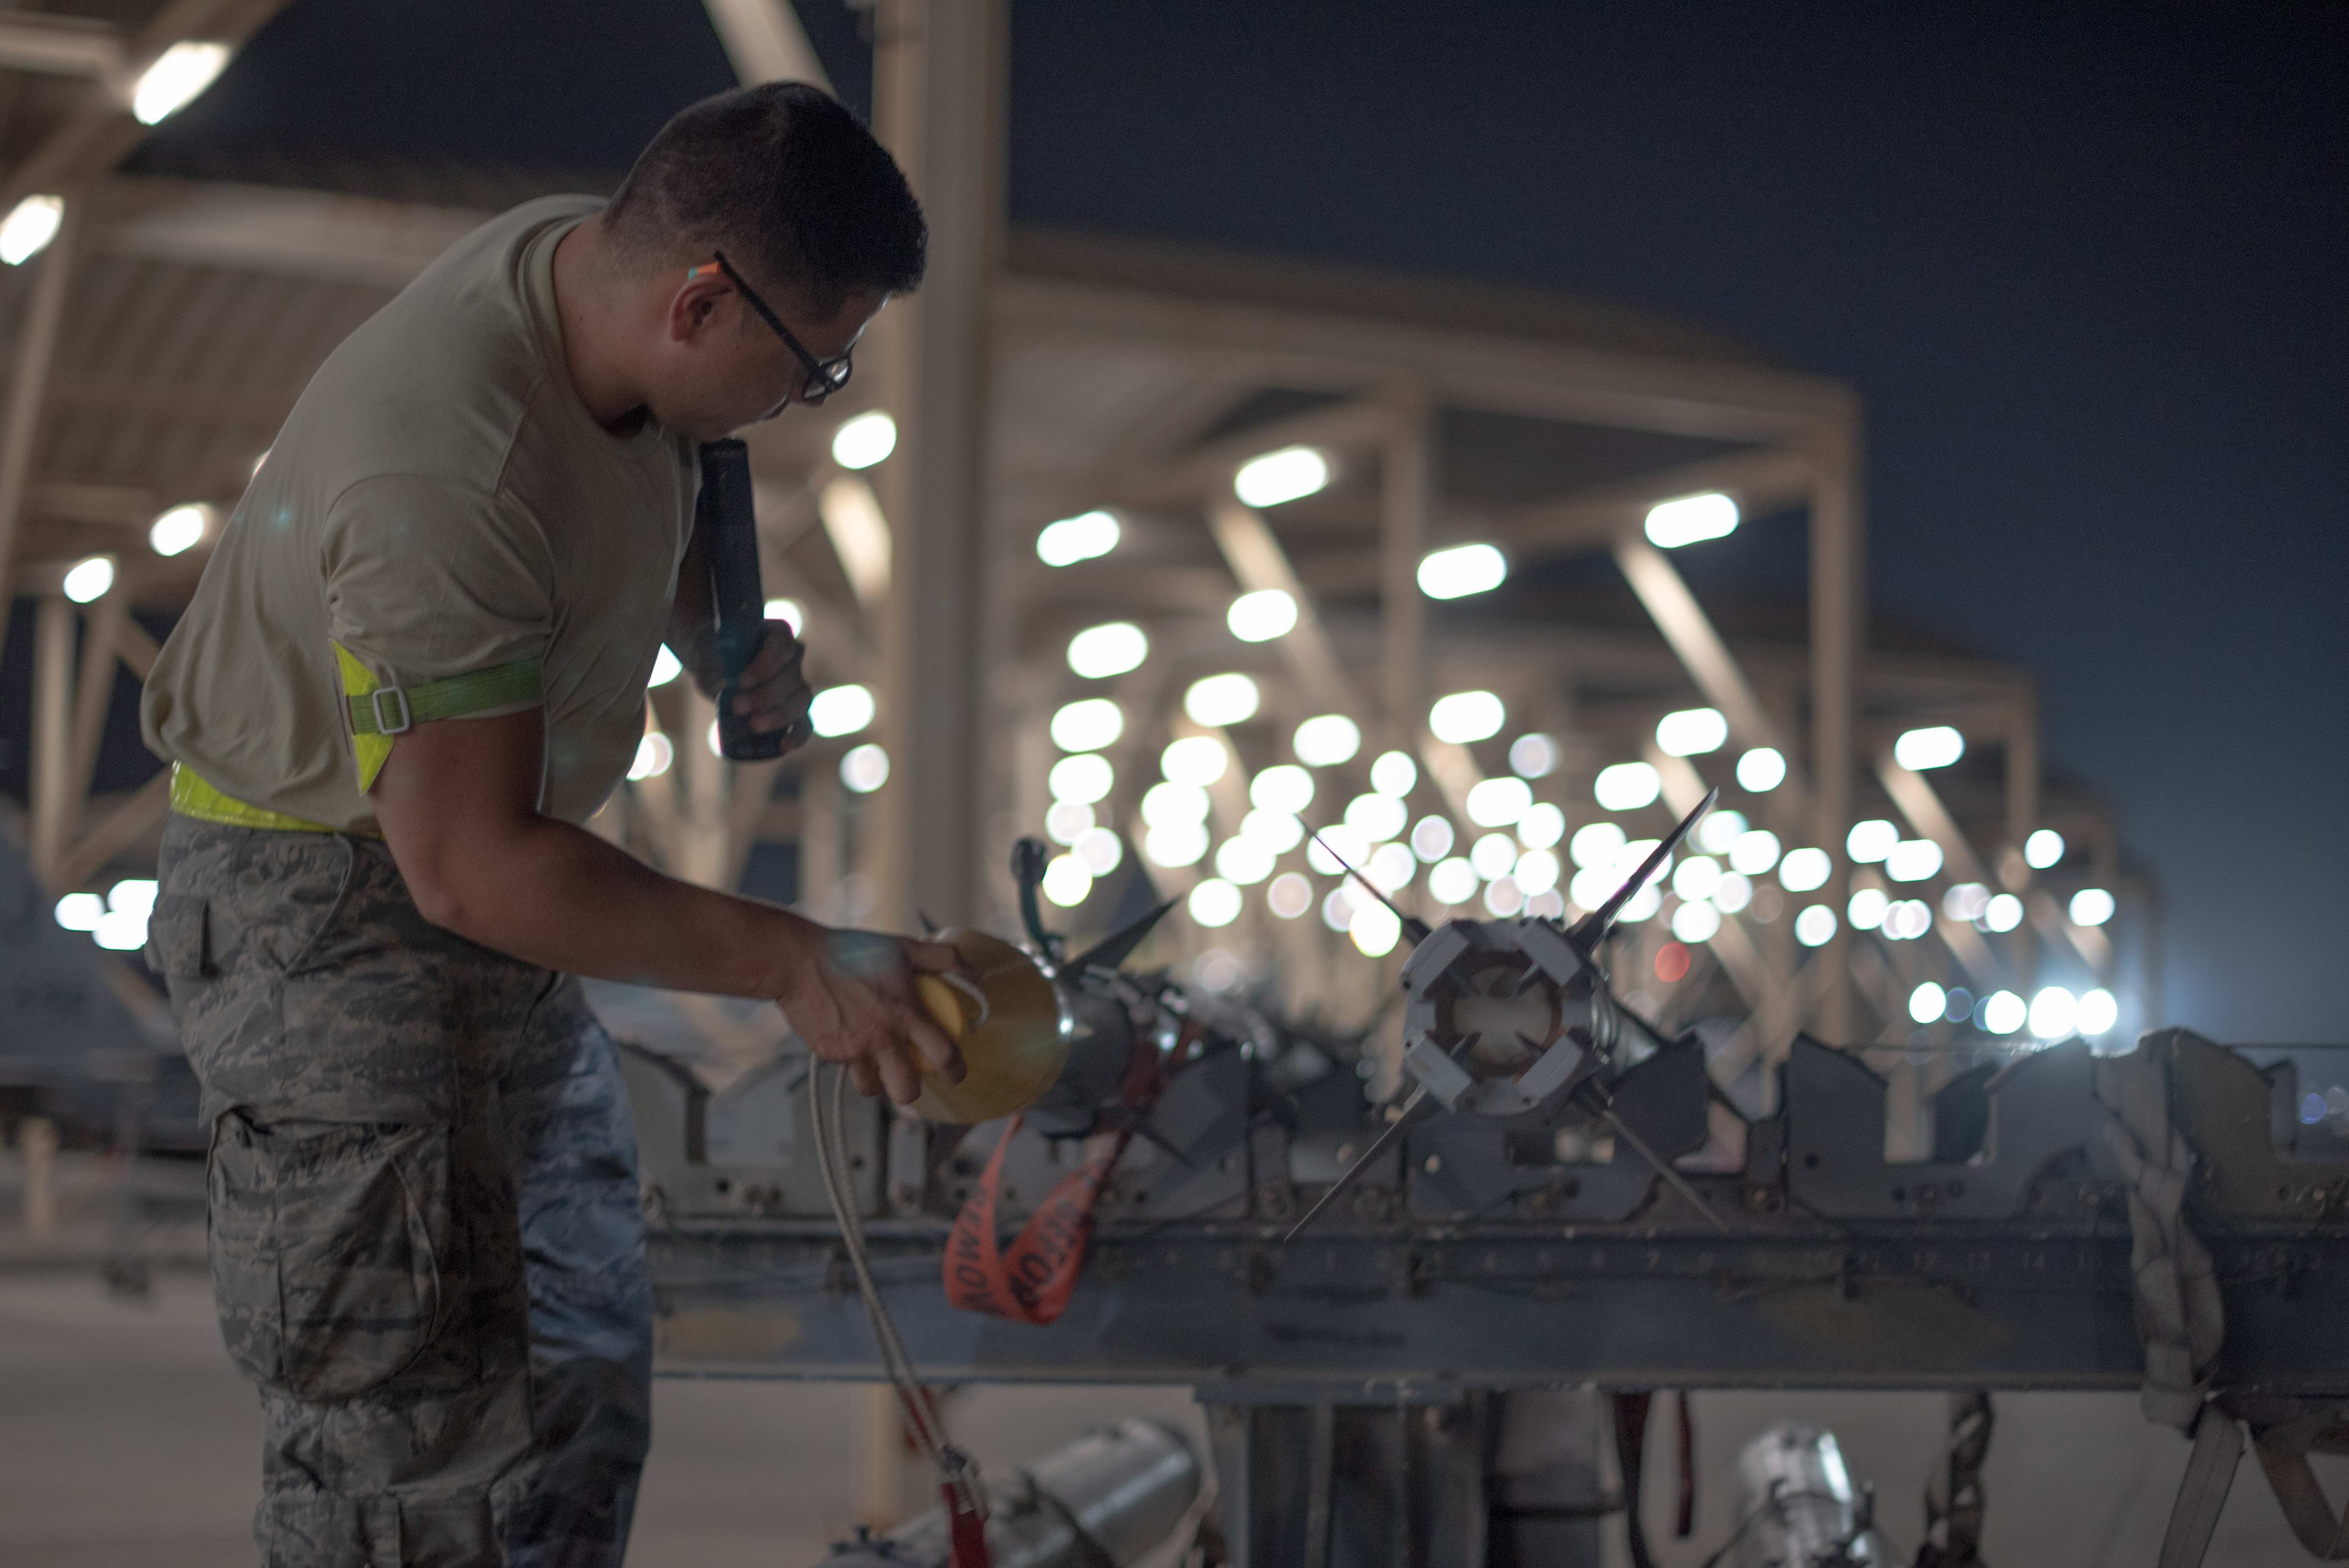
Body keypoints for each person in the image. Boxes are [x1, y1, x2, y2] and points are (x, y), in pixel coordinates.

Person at [138, 83, 968, 1568]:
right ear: (704, 298)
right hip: (326, 915)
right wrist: (793, 959)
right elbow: (468, 863)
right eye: (812, 372)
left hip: (477, 905)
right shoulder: (442, 464)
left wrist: (721, 631)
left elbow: (675, 461)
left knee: (576, 1374)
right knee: (410, 1445)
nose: (800, 404)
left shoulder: (598, 279)